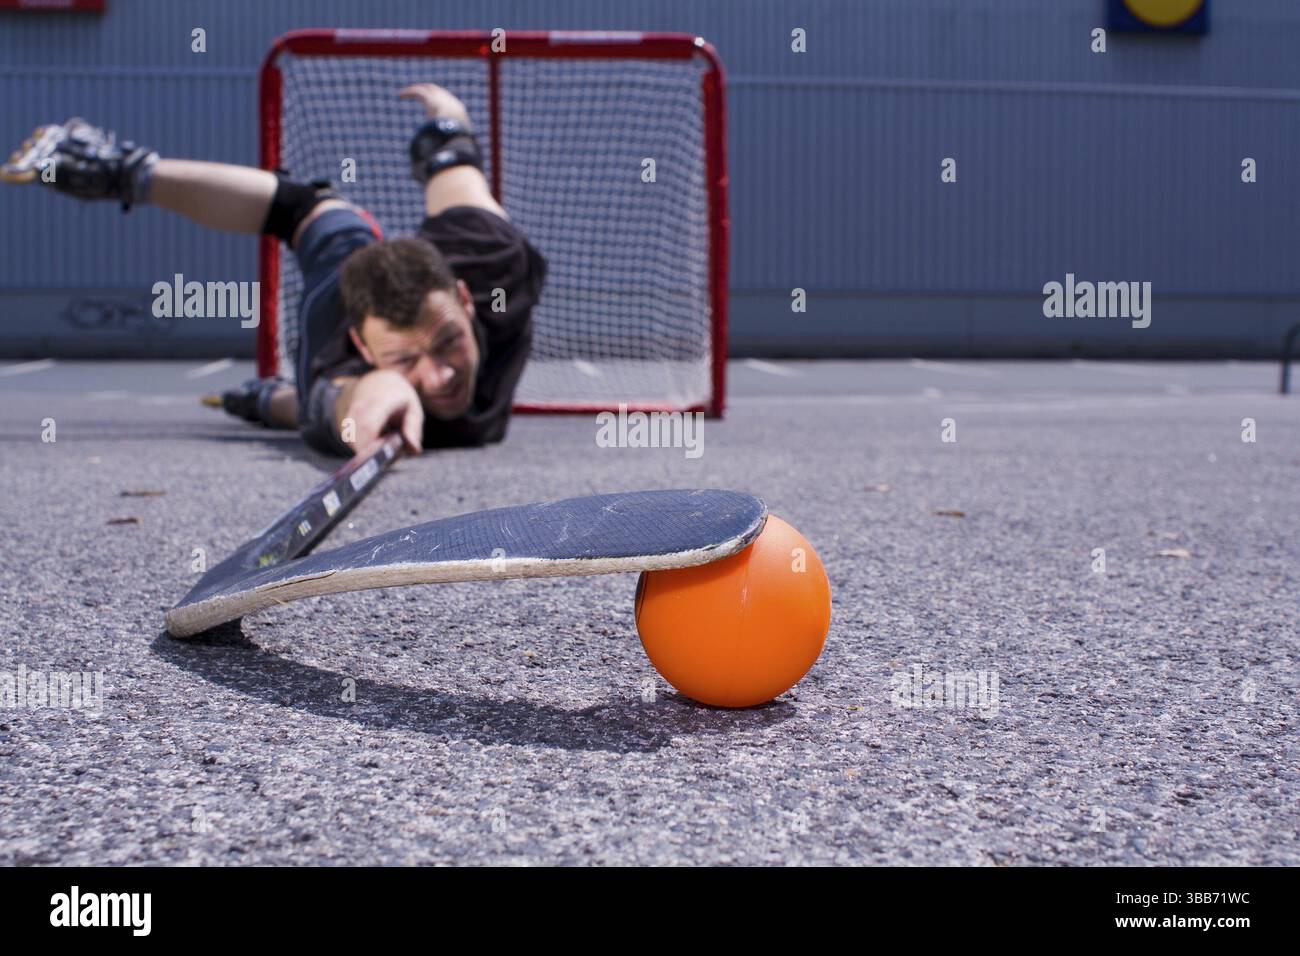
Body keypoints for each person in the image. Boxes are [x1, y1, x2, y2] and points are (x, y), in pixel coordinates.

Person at [6, 83, 546, 456]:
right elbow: (338, 406)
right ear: (363, 348)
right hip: (343, 294)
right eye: (404, 359)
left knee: (296, 409)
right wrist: (372, 397)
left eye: (448, 341)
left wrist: (446, 125)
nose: (440, 375)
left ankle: (258, 398)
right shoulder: (342, 357)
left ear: (466, 299)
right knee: (308, 208)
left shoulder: (490, 258)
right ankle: (124, 170)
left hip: (429, 271)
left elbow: (456, 169)